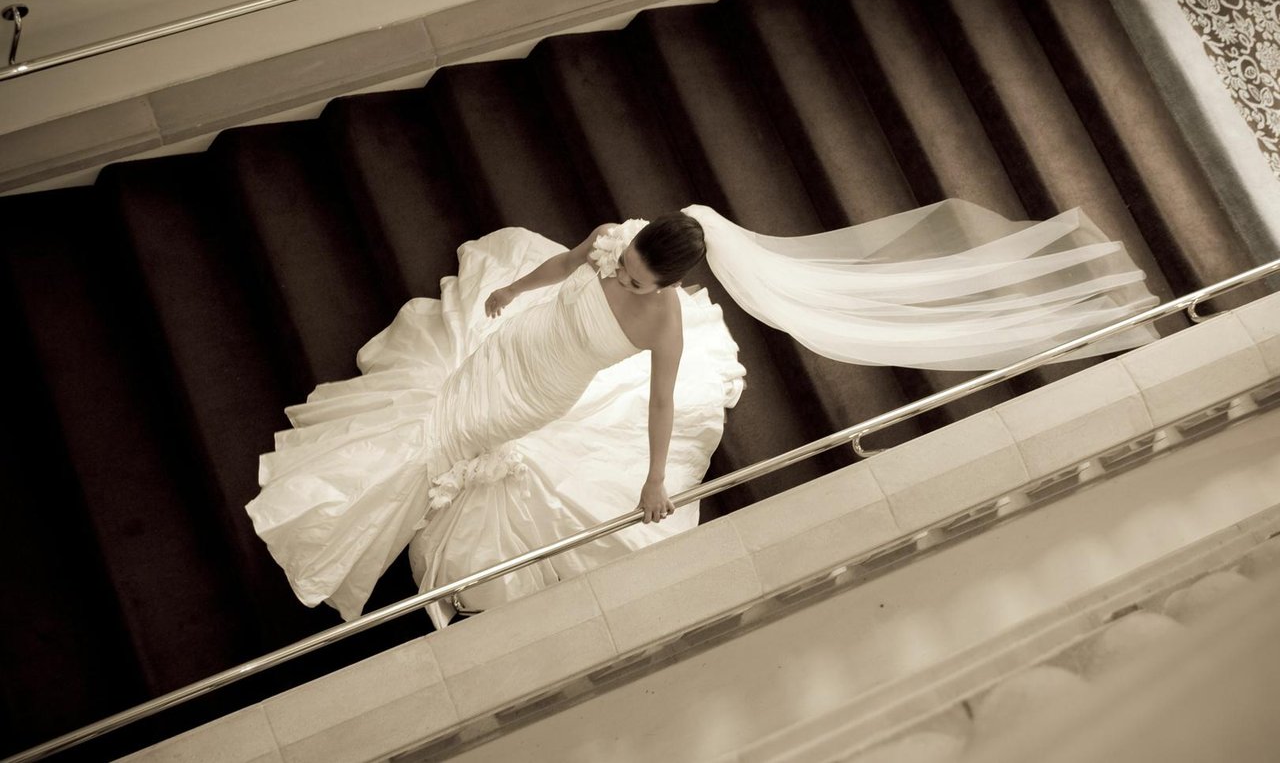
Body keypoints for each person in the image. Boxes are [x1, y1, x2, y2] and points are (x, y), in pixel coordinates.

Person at [247, 200, 1157, 627]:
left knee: (448, 440)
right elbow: (568, 265)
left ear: (672, 284)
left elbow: (653, 402)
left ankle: (335, 517)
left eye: (643, 281)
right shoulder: (612, 243)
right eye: (631, 267)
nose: (627, 280)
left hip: (539, 394)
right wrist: (509, 295)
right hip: (511, 349)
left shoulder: (666, 326)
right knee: (438, 411)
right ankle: (347, 502)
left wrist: (651, 478)